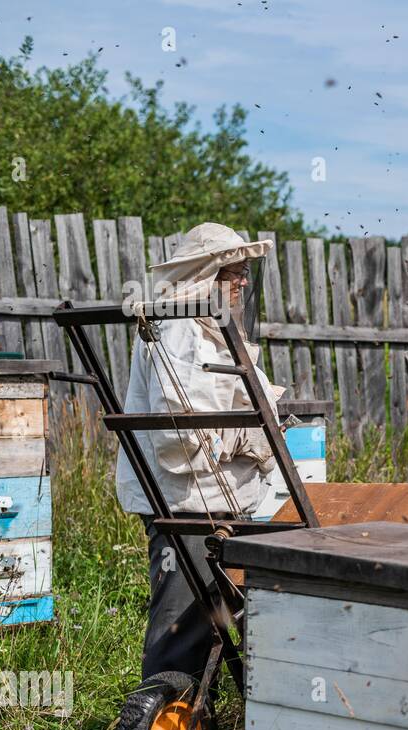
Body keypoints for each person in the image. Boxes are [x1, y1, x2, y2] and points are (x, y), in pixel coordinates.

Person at [115, 223, 283, 682]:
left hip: (214, 503)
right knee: (182, 628)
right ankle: (159, 724)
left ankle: (199, 715)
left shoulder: (200, 326)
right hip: (190, 506)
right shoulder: (182, 330)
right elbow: (179, 436)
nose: (244, 281)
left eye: (246, 271)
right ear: (207, 273)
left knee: (217, 618)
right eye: (234, 271)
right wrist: (245, 439)